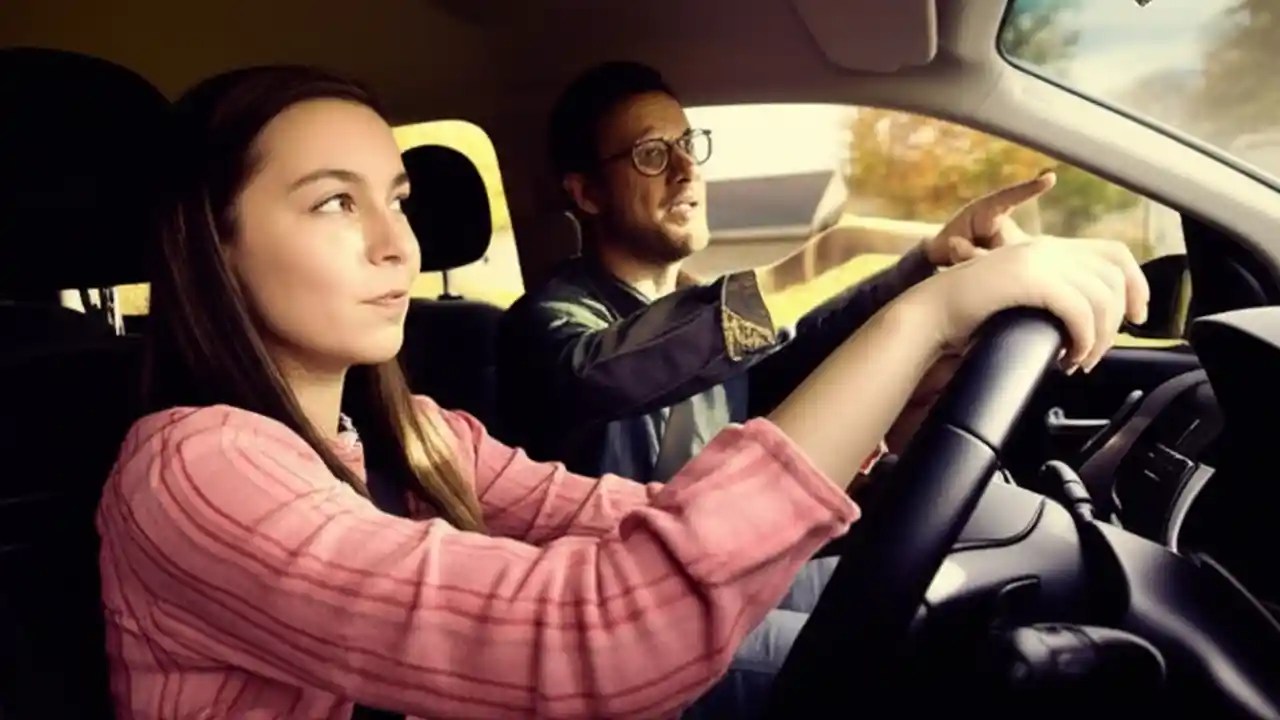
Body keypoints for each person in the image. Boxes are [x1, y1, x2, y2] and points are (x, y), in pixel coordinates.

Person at [96, 63, 1147, 720]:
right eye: (335, 203)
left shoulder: (410, 431)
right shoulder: (199, 465)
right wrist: (907, 302)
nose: (397, 243)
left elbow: (661, 508)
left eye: (399, 199)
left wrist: (917, 304)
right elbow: (594, 622)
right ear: (214, 249)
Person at [495, 60, 1059, 712]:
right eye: (651, 154)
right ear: (588, 193)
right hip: (623, 620)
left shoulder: (695, 309)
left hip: (718, 567)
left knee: (939, 612)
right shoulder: (546, 324)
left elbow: (800, 351)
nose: (687, 169)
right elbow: (602, 372)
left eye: (688, 143)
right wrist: (825, 255)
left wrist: (927, 262)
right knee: (901, 674)